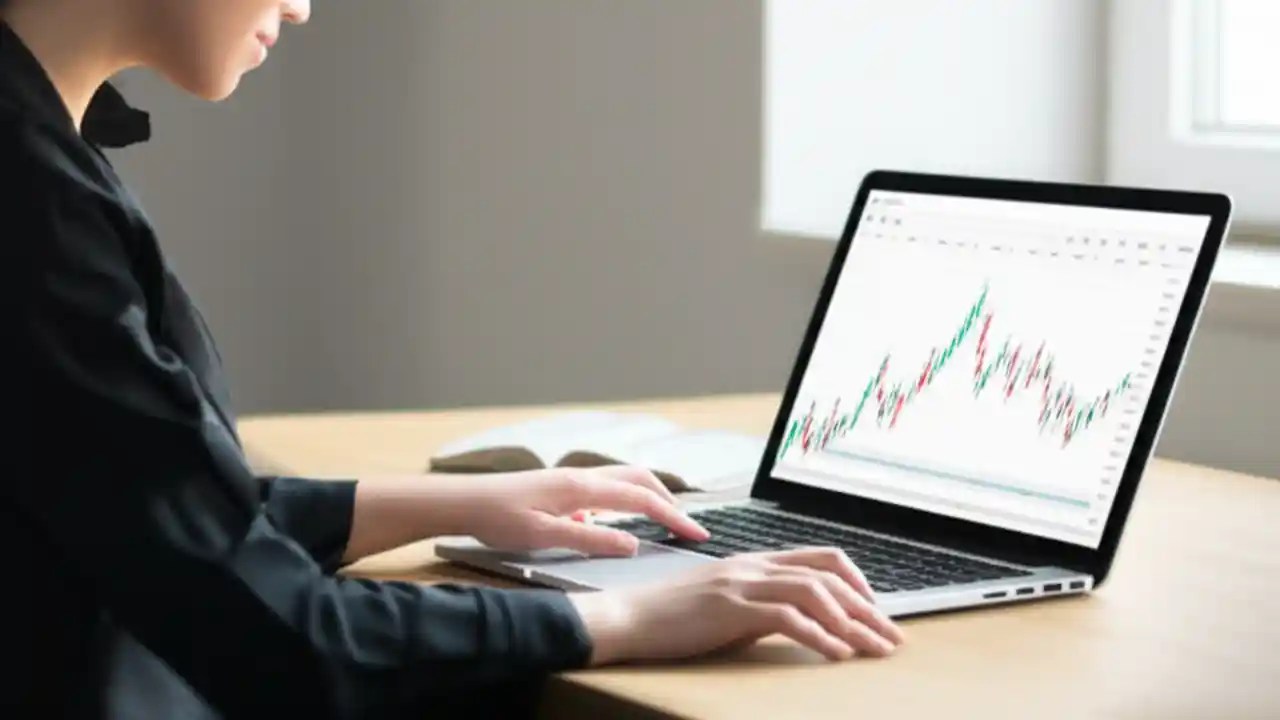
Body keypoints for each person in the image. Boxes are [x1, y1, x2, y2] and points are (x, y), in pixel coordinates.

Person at [0, 0, 905, 717]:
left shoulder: (44, 142)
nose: (305, 7)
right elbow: (276, 638)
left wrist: (459, 505)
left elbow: (132, 504)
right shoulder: (34, 205)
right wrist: (630, 612)